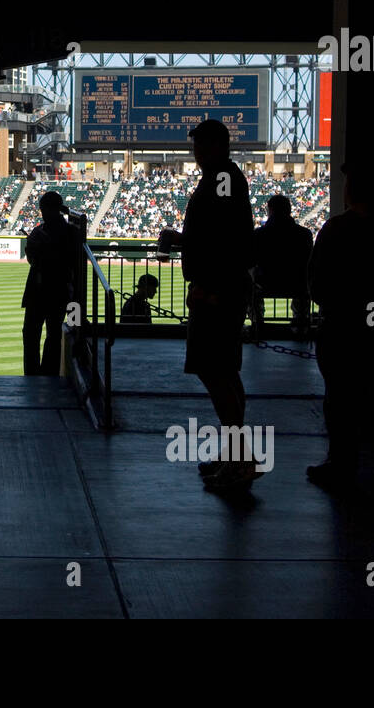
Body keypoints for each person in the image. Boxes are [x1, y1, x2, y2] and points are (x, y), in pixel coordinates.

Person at [156, 119, 255, 491]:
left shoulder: (222, 179)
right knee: (225, 373)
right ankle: (235, 456)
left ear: (216, 145)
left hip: (218, 292)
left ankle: (241, 461)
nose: (195, 152)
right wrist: (183, 240)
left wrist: (213, 289)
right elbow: (218, 238)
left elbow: (229, 243)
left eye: (200, 145)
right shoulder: (221, 178)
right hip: (220, 287)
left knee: (216, 373)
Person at [306, 163, 374, 492]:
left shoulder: (336, 228)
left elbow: (316, 282)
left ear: (351, 191)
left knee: (340, 399)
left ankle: (342, 463)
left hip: (342, 325)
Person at [21, 191, 77, 376]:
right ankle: (45, 375)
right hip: (53, 291)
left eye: (44, 210)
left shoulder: (52, 231)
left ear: (51, 209)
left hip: (50, 290)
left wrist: (42, 249)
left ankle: (38, 376)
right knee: (44, 335)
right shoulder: (66, 230)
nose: (42, 213)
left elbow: (64, 261)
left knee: (42, 335)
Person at [250, 194, 313, 332]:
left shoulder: (259, 234)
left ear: (270, 210)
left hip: (266, 283)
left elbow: (250, 261)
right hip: (297, 284)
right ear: (289, 210)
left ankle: (257, 321)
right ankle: (300, 321)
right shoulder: (304, 234)